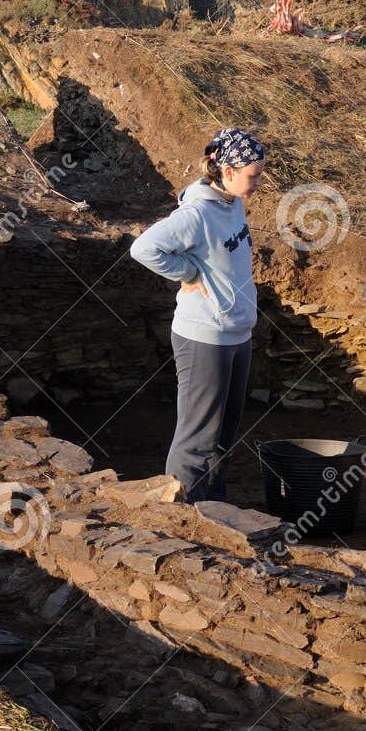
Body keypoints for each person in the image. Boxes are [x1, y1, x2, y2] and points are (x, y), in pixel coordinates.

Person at [129, 128, 264, 503]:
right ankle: (182, 512)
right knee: (198, 437)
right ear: (228, 170)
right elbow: (145, 248)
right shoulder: (198, 213)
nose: (258, 182)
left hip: (237, 334)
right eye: (253, 175)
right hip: (205, 336)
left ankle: (214, 508)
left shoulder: (232, 202)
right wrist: (188, 273)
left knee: (223, 434)